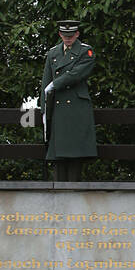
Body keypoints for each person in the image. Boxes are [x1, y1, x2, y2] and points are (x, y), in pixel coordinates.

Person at [41, 18, 97, 182]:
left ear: (77, 34)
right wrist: (44, 107)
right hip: (58, 108)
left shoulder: (86, 51)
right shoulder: (53, 53)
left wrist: (55, 84)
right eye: (65, 35)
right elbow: (46, 81)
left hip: (76, 107)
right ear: (60, 34)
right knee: (58, 156)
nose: (68, 38)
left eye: (71, 35)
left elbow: (77, 74)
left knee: (75, 155)